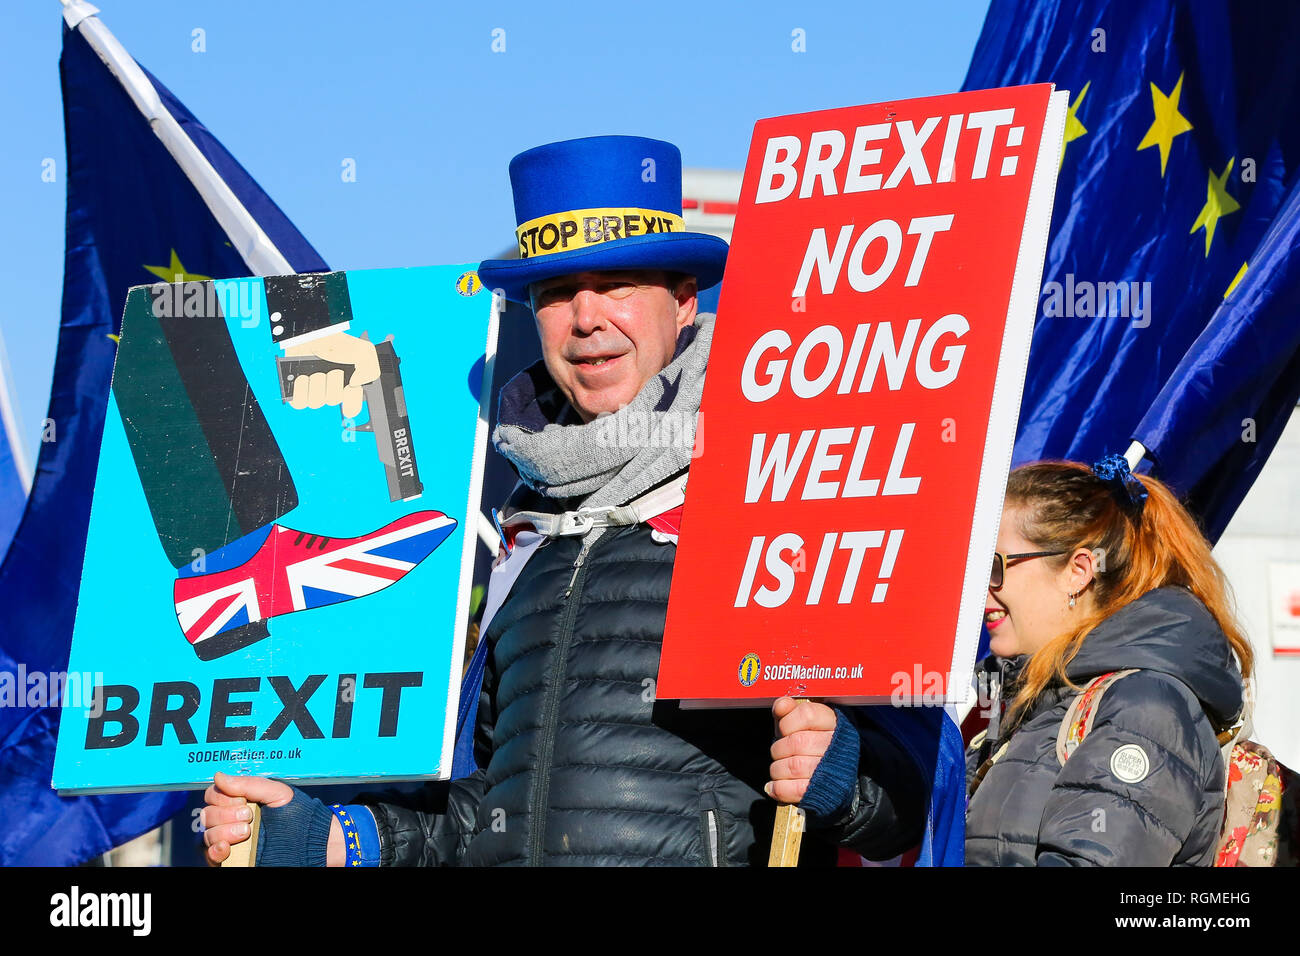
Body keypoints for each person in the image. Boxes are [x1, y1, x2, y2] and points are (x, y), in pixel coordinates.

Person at [202, 134, 937, 866]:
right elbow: (485, 813)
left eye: (617, 282)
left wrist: (840, 774)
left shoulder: (781, 484)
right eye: (556, 293)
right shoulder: (523, 538)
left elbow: (911, 802)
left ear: (682, 303)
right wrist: (331, 836)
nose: (586, 319)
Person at [965, 457, 1253, 866]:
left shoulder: (1145, 708)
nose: (981, 589)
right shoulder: (1028, 697)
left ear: (1078, 572)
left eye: (995, 567)